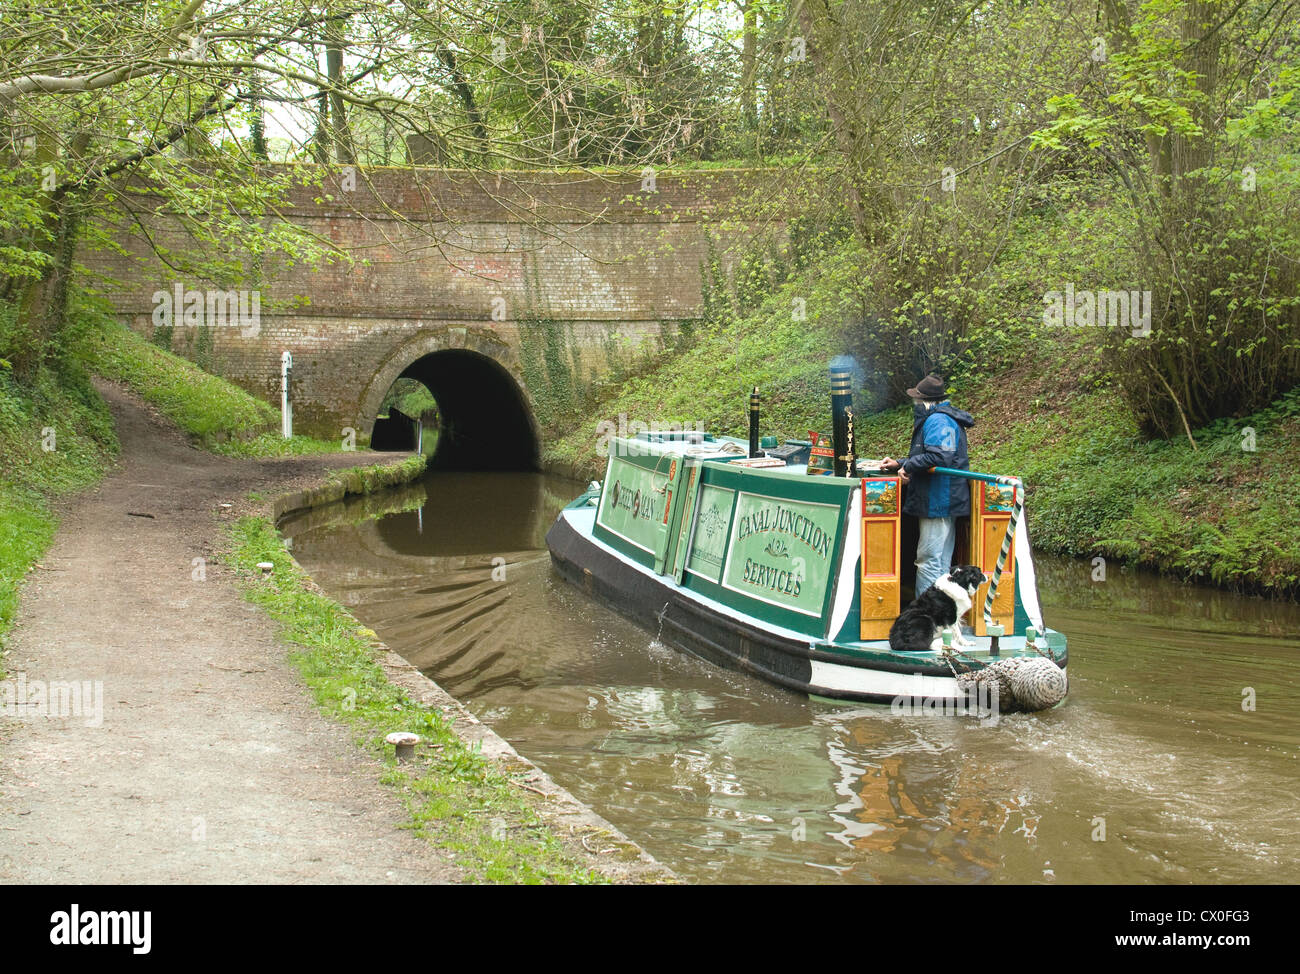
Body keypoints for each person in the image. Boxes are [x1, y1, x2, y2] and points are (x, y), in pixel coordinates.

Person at [880, 373, 975, 597]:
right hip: (945, 497)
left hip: (938, 500)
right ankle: (939, 613)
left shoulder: (937, 420)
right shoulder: (944, 418)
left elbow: (939, 457)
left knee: (929, 559)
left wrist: (909, 466)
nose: (914, 402)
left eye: (917, 398)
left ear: (925, 401)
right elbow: (934, 455)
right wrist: (901, 463)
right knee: (941, 559)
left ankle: (926, 615)